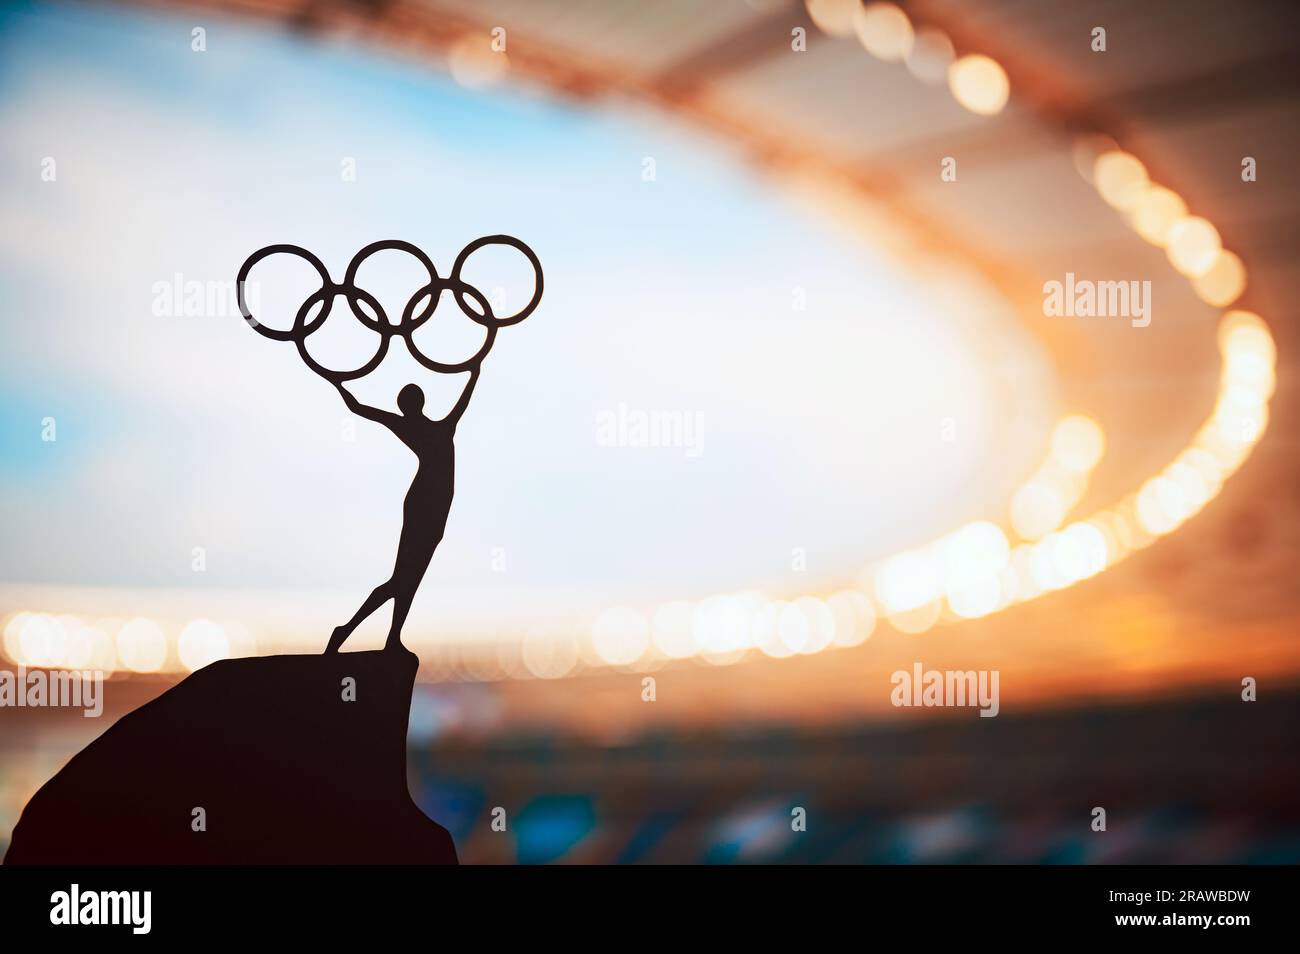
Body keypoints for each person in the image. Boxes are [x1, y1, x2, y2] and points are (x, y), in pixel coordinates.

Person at [325, 368, 479, 652]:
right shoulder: (439, 427)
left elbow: (357, 407)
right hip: (424, 506)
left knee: (410, 579)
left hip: (433, 508)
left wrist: (338, 383)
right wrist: (473, 372)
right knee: (402, 578)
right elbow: (464, 400)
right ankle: (351, 631)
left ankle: (392, 637)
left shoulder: (421, 426)